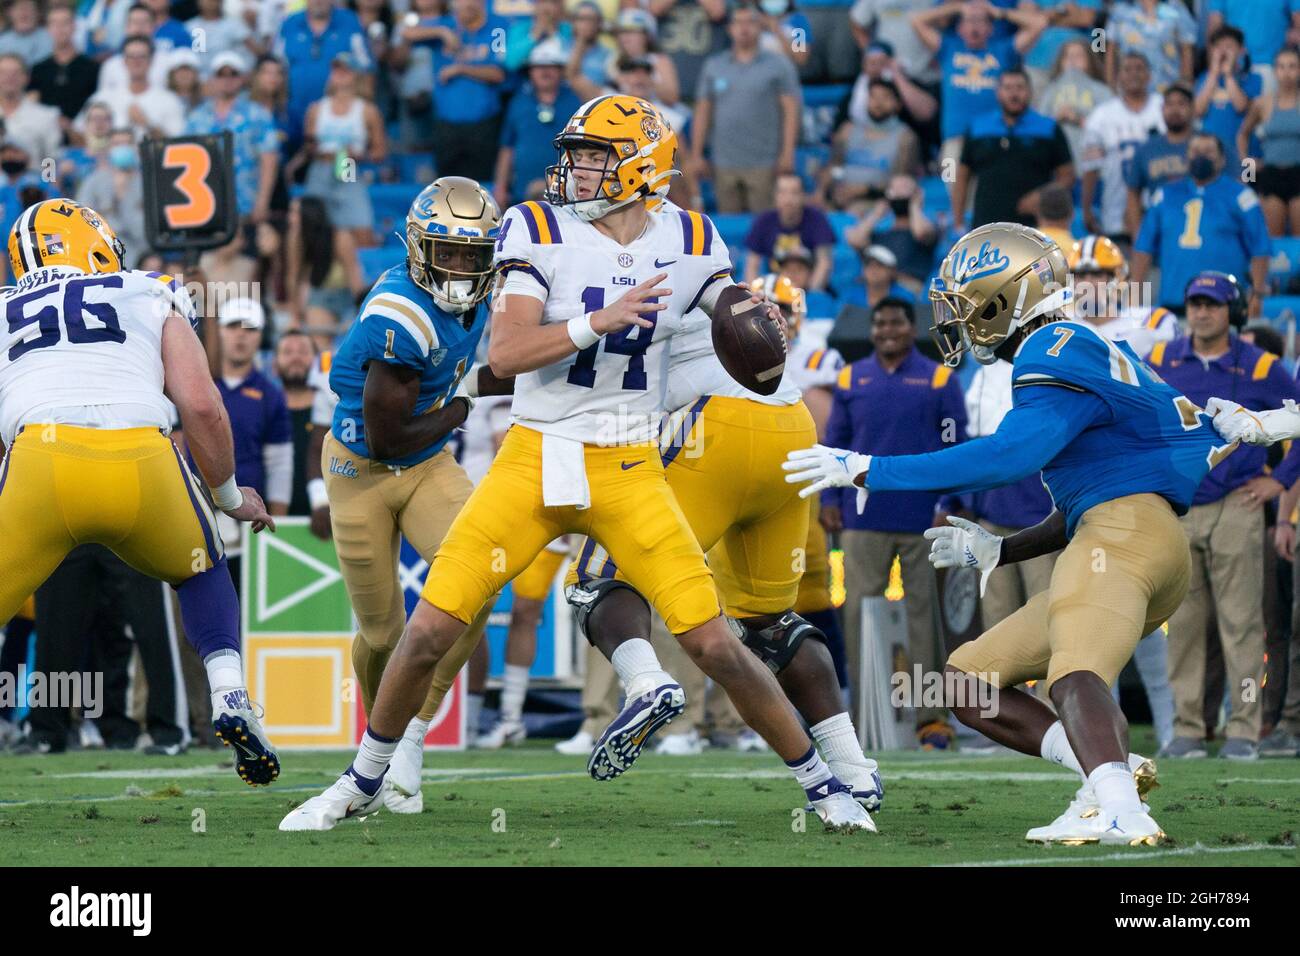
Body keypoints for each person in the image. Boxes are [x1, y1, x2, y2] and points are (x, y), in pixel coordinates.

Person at [281, 94, 873, 833]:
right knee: (431, 626)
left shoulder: (693, 235)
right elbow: (507, 352)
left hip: (629, 463)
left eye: (594, 155)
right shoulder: (535, 225)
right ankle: (361, 781)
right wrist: (601, 318)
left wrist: (753, 319)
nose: (575, 168)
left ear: (641, 166)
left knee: (714, 639)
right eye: (575, 154)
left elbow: (726, 306)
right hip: (535, 453)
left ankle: (826, 785)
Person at [785, 222, 1236, 846]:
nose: (960, 323)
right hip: (1125, 532)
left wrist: (866, 469)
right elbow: (1096, 488)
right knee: (967, 683)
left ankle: (1121, 811)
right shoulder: (1081, 349)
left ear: (1005, 299)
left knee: (1074, 674)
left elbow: (1008, 455)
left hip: (1123, 538)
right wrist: (1004, 546)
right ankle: (1105, 775)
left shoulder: (1052, 346)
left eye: (968, 307)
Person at [0, 198, 277, 784]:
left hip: (40, 459)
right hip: (141, 453)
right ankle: (230, 696)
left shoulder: (4, 307)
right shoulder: (149, 288)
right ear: (91, 243)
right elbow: (201, 406)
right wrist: (230, 498)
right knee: (203, 571)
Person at [1145, 272, 1300, 761]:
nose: (1201, 311)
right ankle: (1188, 728)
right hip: (1179, 503)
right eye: (1194, 302)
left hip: (1238, 501)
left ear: (1233, 312)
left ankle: (1244, 727)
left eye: (1212, 303)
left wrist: (1280, 479)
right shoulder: (1159, 359)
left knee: (1242, 624)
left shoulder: (1264, 367)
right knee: (1183, 623)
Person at [820, 295, 966, 749]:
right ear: (872, 329)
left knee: (924, 615)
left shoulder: (940, 378)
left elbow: (955, 447)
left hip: (922, 514)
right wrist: (829, 496)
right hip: (863, 516)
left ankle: (931, 718)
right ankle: (866, 718)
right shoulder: (849, 377)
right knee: (859, 616)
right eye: (880, 323)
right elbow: (835, 445)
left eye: (896, 323)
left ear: (911, 327)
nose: (887, 330)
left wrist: (948, 498)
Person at [1132, 132, 1272, 316]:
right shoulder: (1164, 195)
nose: (1201, 156)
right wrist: (1133, 297)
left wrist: (1257, 294)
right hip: (1173, 300)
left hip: (1224, 302)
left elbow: (1260, 249)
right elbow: (1144, 248)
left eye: (1208, 151)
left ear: (1222, 160)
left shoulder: (1241, 196)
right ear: (1186, 156)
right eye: (1195, 151)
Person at [690, 3, 801, 214]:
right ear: (730, 29)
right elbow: (703, 111)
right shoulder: (714, 65)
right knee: (727, 231)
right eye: (738, 22)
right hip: (723, 162)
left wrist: (787, 153)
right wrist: (697, 154)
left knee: (763, 224)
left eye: (751, 22)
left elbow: (791, 111)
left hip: (764, 162)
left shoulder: (779, 65)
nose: (744, 28)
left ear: (760, 27)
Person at [911, 0, 1044, 166]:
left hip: (991, 140)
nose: (974, 27)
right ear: (959, 29)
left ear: (990, 29)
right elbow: (916, 20)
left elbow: (1039, 23)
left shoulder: (1003, 50)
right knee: (950, 185)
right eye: (968, 21)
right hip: (953, 142)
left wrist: (998, 12)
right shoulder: (948, 48)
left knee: (986, 190)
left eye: (980, 21)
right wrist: (957, 7)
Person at [954, 67, 1074, 230]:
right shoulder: (977, 128)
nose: (1014, 94)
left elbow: (1067, 176)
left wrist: (1042, 197)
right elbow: (962, 177)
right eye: (1008, 88)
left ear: (1030, 92)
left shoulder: (1049, 128)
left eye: (1020, 88)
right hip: (986, 225)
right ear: (998, 92)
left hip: (1034, 227)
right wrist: (958, 222)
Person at [301, 52, 386, 246]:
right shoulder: (316, 109)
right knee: (312, 227)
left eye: (346, 70)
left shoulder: (367, 110)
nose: (340, 74)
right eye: (336, 69)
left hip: (349, 166)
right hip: (322, 166)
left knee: (361, 227)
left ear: (356, 74)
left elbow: (380, 151)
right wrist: (315, 149)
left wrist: (359, 155)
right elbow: (308, 145)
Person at [1079, 52, 1163, 241]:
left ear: (1150, 75)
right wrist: (1086, 208)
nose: (1134, 74)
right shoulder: (1101, 116)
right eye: (1127, 69)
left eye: (1139, 69)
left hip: (1160, 209)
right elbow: (1091, 169)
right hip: (1115, 210)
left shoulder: (1164, 108)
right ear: (1118, 77)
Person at [492, 40, 582, 210]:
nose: (545, 71)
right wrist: (501, 187)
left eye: (551, 66)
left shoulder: (576, 101)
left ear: (561, 70)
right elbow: (507, 148)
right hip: (522, 195)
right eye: (539, 66)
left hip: (568, 195)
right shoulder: (518, 102)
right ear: (530, 71)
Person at [427, 0, 508, 182]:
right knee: (445, 187)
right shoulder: (446, 24)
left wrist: (461, 69)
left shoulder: (498, 29)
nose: (467, 4)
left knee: (481, 186)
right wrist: (441, 32)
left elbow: (499, 73)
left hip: (483, 124)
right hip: (446, 125)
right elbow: (406, 32)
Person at [822, 77, 921, 210]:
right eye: (873, 96)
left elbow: (901, 184)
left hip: (877, 202)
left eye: (885, 97)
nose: (878, 103)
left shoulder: (906, 138)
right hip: (840, 196)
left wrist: (865, 190)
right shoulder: (847, 130)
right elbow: (835, 167)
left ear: (898, 104)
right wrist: (829, 188)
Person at [1238, 46, 1300, 238]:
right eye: (1281, 67)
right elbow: (1242, 135)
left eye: (1292, 66)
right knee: (1274, 241)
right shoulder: (1262, 103)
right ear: (1274, 71)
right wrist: (1248, 169)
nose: (1287, 73)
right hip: (1271, 176)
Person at [844, 174, 938, 292]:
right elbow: (854, 240)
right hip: (875, 286)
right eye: (895, 189)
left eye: (905, 188)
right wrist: (876, 213)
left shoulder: (928, 226)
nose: (899, 193)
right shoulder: (881, 233)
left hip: (908, 287)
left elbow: (921, 233)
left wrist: (915, 206)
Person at [1124, 84, 1195, 240]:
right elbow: (1133, 192)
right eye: (1169, 104)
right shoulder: (1146, 149)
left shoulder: (1207, 145)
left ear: (1192, 109)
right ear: (1162, 109)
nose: (1175, 110)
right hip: (1160, 230)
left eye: (1181, 104)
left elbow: (1241, 176)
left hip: (1199, 227)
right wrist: (1138, 235)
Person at [743, 172, 835, 290]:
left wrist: (809, 296)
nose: (788, 199)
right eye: (783, 192)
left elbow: (824, 263)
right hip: (774, 290)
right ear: (775, 196)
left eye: (794, 193)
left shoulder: (817, 219)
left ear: (803, 196)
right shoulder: (764, 221)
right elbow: (752, 266)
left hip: (809, 289)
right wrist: (756, 296)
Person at [1034, 37, 1112, 167]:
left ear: (1090, 61)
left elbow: (1110, 129)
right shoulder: (1050, 91)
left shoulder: (1102, 91)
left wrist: (1078, 119)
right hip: (1059, 164)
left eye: (1079, 56)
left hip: (1092, 162)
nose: (1072, 61)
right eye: (1068, 56)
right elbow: (1039, 128)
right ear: (1061, 62)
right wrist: (1056, 119)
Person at [28, 5, 100, 139]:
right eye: (54, 23)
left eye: (65, 23)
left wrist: (72, 128)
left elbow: (98, 105)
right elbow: (32, 106)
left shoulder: (93, 68)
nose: (60, 29)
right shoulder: (38, 69)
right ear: (47, 29)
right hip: (46, 137)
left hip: (84, 136)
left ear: (74, 26)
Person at [1195, 25, 1262, 168]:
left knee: (1248, 188)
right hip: (1212, 153)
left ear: (1241, 50)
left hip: (1246, 153)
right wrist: (1213, 74)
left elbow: (1241, 106)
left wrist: (1228, 75)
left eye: (1229, 46)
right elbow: (1198, 110)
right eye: (1218, 47)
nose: (1223, 51)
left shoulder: (1253, 78)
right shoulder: (1204, 79)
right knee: (1215, 188)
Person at [273, 329, 319, 517]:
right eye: (287, 352)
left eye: (303, 351)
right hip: (273, 522)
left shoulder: (335, 413)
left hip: (329, 520)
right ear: (274, 365)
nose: (296, 358)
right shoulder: (267, 411)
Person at [1104, 0, 1195, 93]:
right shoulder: (1120, 10)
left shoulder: (1176, 7)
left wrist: (1184, 86)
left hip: (1168, 92)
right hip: (1128, 91)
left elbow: (1186, 50)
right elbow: (1110, 52)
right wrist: (1110, 87)